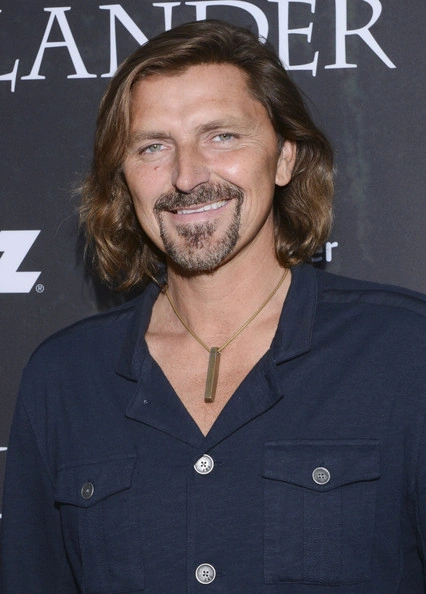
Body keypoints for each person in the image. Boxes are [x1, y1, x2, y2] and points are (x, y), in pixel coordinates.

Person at [1, 18, 426, 594]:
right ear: (123, 178)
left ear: (284, 159)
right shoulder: (64, 379)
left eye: (221, 136)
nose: (186, 176)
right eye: (153, 147)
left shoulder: (406, 352)